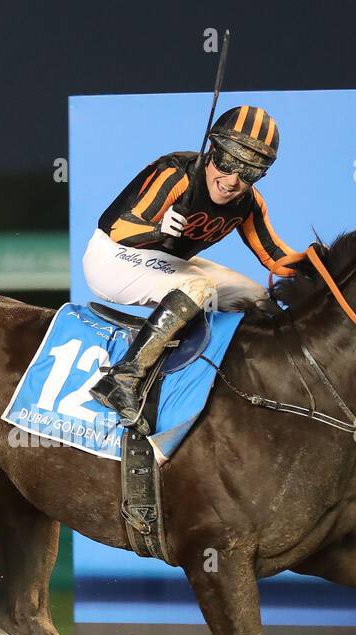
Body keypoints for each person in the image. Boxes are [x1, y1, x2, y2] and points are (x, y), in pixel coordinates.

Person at [85, 105, 294, 433]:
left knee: (255, 296)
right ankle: (122, 378)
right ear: (213, 150)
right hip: (113, 257)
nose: (231, 181)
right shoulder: (178, 173)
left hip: (166, 264)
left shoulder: (249, 204)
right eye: (227, 163)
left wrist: (328, 266)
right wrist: (157, 231)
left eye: (248, 172)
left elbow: (276, 258)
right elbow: (117, 228)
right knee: (197, 286)